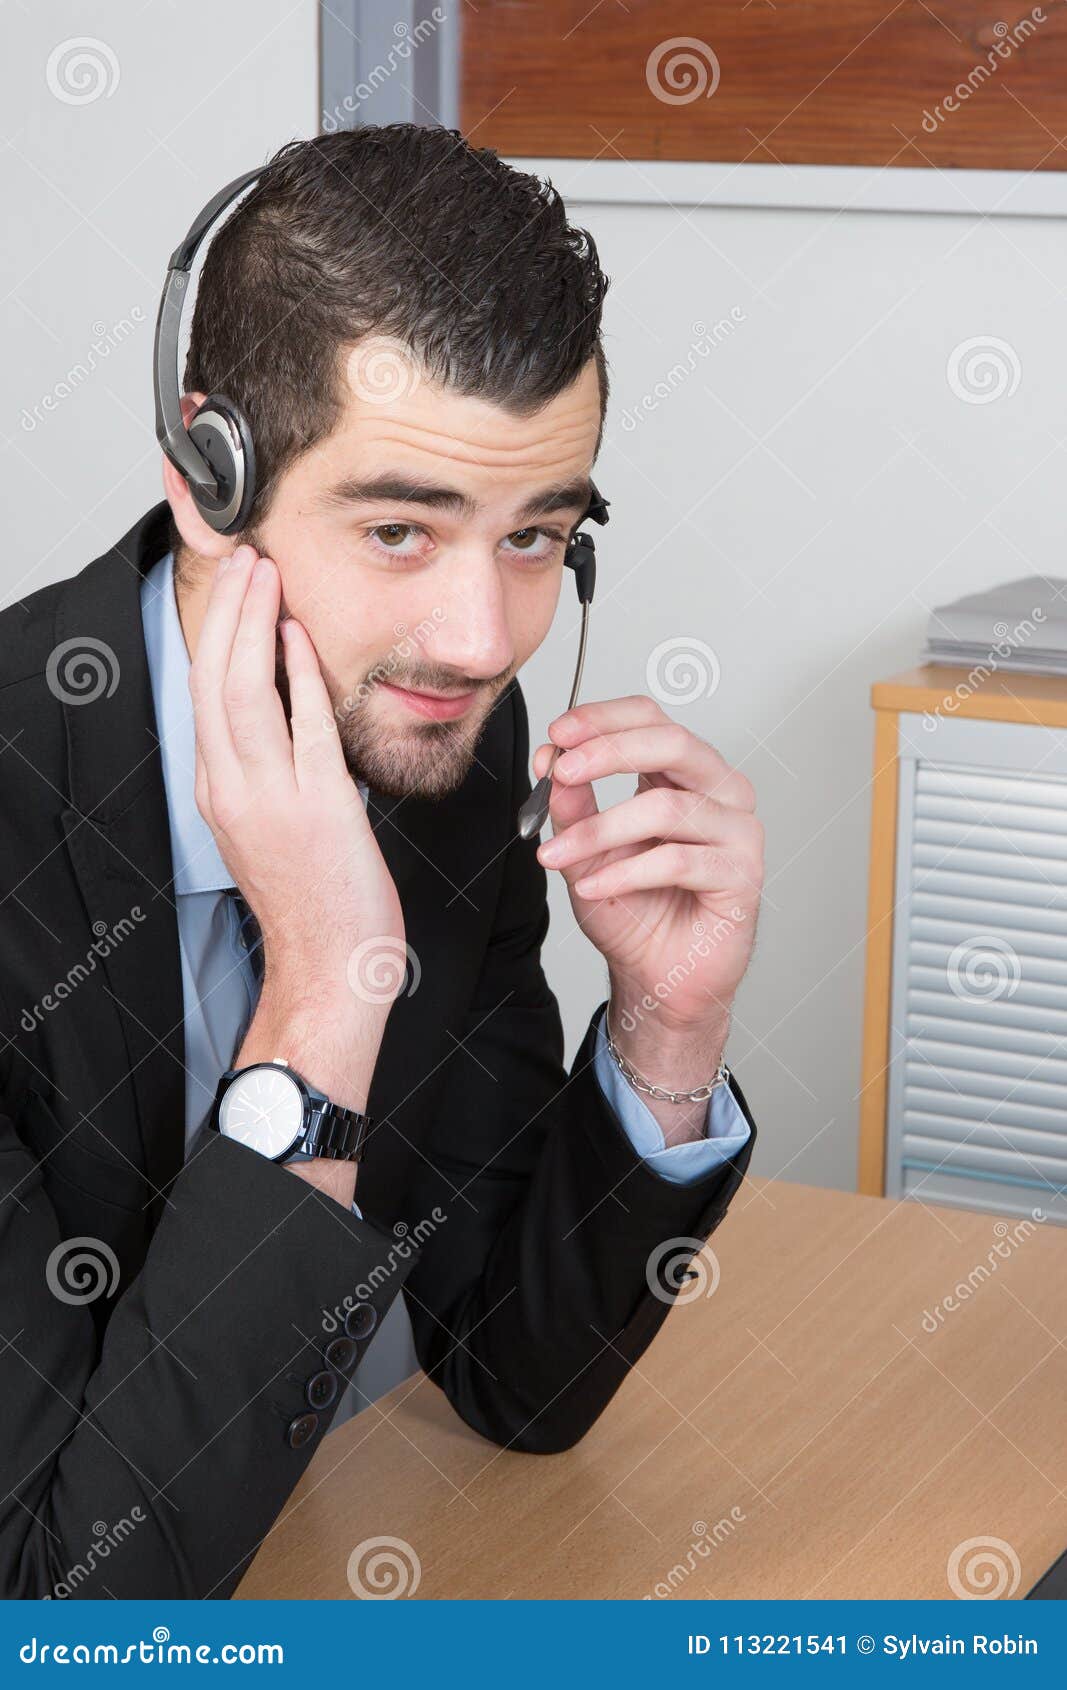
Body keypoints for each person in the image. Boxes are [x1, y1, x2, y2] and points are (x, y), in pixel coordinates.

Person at [0, 123, 763, 1599]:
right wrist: (323, 1000)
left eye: (536, 536)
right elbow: (60, 1602)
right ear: (207, 479)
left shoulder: (435, 741)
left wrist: (671, 1029)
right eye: (403, 527)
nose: (483, 640)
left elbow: (513, 1373)